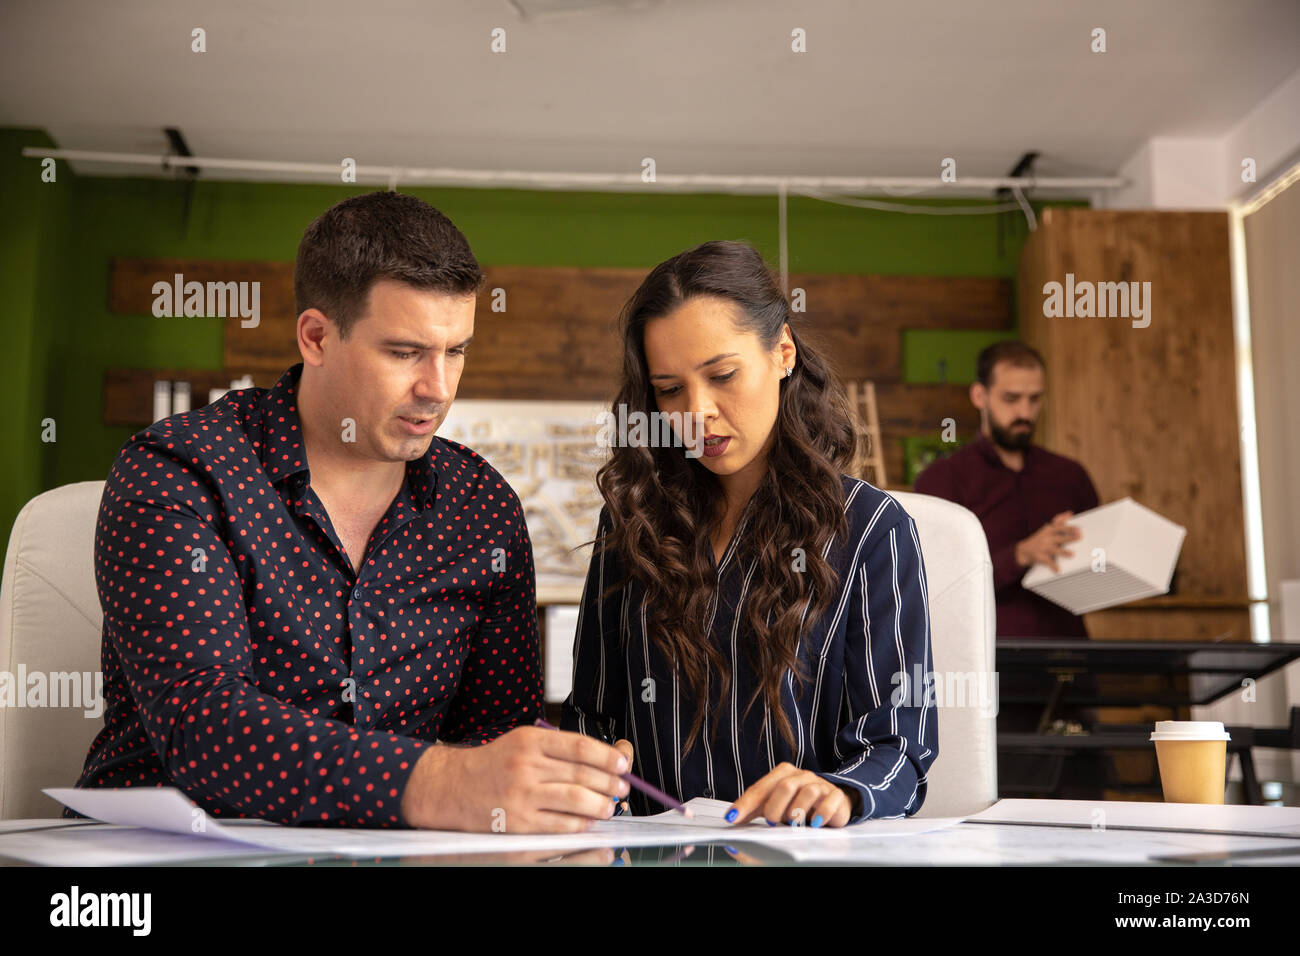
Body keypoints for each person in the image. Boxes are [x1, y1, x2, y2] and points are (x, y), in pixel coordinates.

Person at [71, 191, 629, 833]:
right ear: (316, 337)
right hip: (154, 858)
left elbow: (495, 733)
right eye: (404, 352)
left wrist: (554, 775)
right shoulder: (180, 472)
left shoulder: (483, 508)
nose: (439, 388)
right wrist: (440, 782)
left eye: (457, 351)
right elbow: (203, 726)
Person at [562, 240, 938, 826]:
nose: (697, 412)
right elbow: (591, 715)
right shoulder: (631, 520)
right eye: (669, 390)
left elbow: (899, 751)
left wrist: (838, 793)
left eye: (722, 375)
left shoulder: (872, 530)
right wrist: (592, 769)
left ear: (782, 351)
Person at [914, 341, 1099, 639]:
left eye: (1034, 399)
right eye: (1011, 399)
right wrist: (1020, 555)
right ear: (979, 395)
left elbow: (1097, 567)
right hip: (988, 665)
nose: (1025, 412)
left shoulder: (1070, 475)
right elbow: (934, 585)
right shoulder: (941, 480)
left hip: (1072, 658)